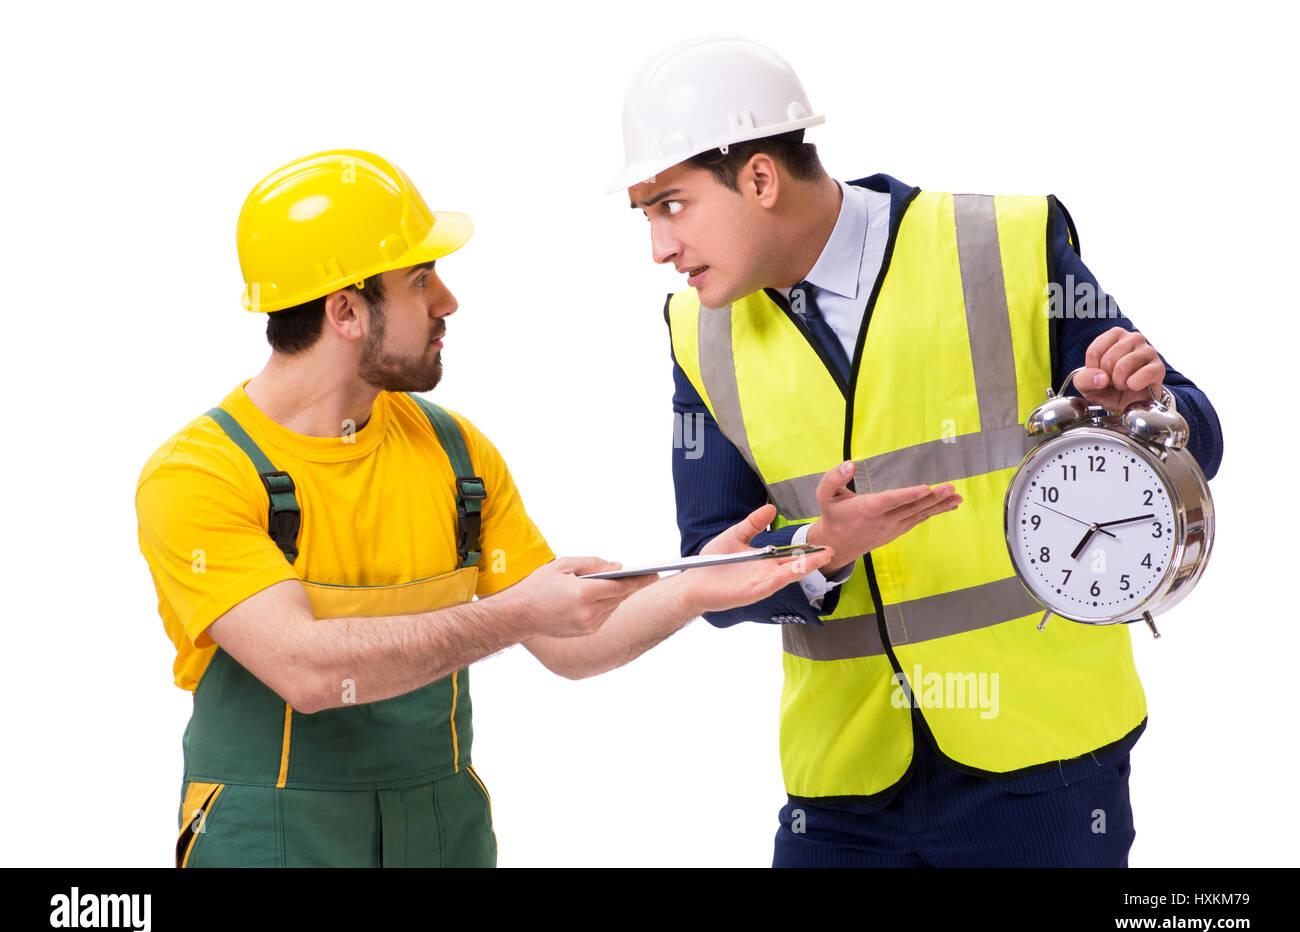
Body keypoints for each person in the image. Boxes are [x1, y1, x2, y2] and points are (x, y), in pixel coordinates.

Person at [611, 36, 1224, 866]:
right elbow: (709, 576)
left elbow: (1199, 431)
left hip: (1043, 771)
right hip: (843, 792)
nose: (658, 247)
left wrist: (1138, 414)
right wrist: (818, 552)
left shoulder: (1002, 243)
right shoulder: (699, 332)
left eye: (671, 204)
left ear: (758, 177)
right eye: (645, 213)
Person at [134, 148, 835, 868]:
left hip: (441, 829)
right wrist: (520, 611)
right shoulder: (200, 475)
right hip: (271, 835)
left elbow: (570, 643)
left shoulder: (454, 453)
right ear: (345, 310)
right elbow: (307, 671)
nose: (447, 300)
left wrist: (691, 586)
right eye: (419, 278)